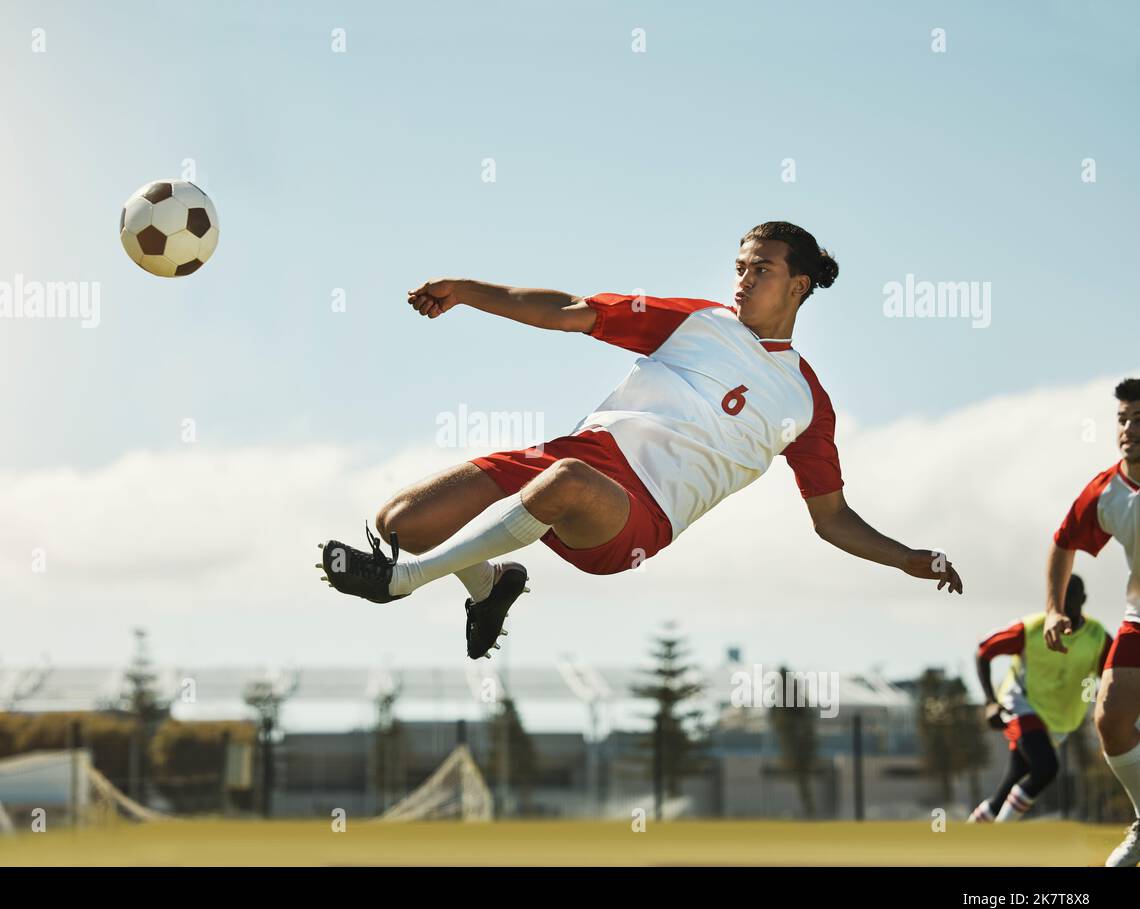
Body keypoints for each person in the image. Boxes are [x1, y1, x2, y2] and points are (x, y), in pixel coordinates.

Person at [318, 222, 962, 659]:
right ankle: (489, 588)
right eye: (738, 267)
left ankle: (401, 583)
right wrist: (466, 292)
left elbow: (832, 518)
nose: (741, 281)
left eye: (759, 270)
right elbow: (569, 310)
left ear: (798, 285)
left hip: (634, 516)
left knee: (562, 483)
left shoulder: (804, 402)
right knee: (401, 519)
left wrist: (907, 558)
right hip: (571, 457)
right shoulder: (698, 321)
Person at [1045, 378, 1140, 865]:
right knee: (1110, 718)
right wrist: (1056, 609)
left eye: (1139, 419)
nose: (1129, 429)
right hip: (1139, 620)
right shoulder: (1106, 491)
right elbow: (1063, 542)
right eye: (1123, 420)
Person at [968, 575, 1111, 823]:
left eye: (1071, 598)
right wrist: (990, 701)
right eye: (1058, 598)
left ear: (1083, 600)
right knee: (1046, 768)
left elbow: (1113, 676)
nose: (1064, 604)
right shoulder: (1032, 628)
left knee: (1013, 781)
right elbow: (983, 652)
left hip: (1056, 720)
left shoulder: (1098, 637)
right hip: (1020, 705)